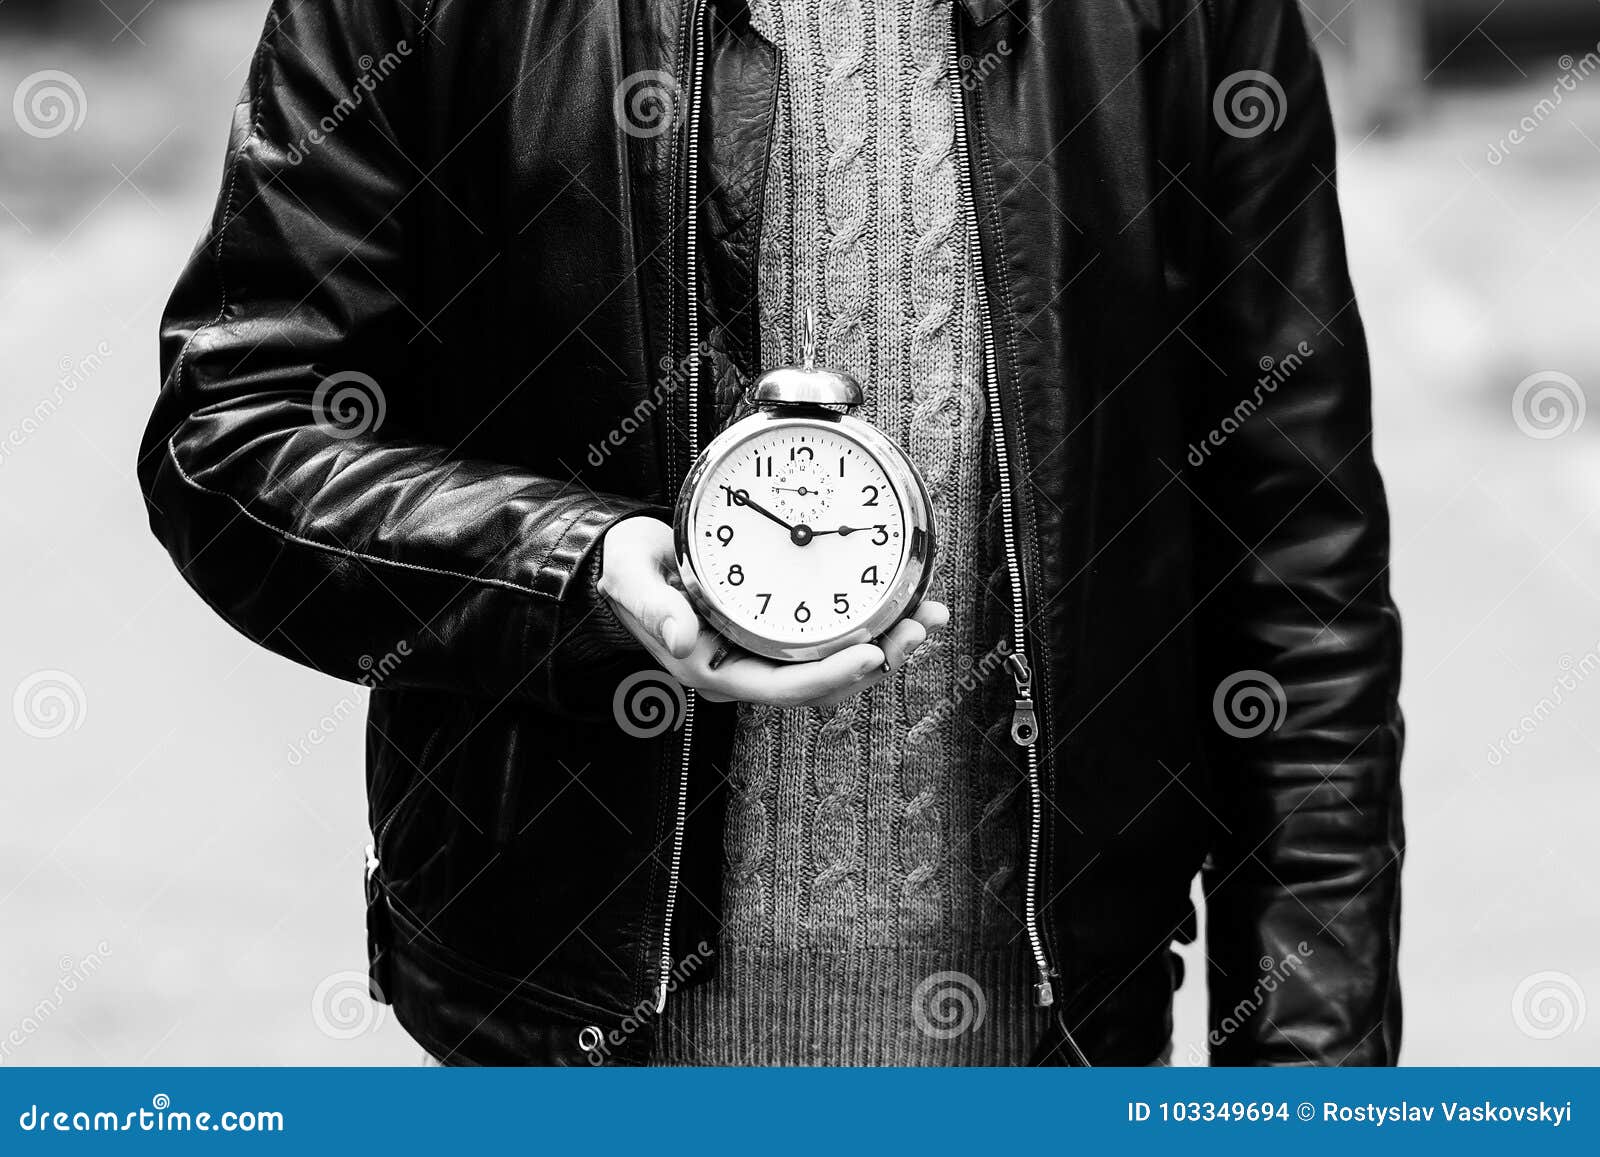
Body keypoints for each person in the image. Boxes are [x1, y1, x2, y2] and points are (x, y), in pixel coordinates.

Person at [138, 0, 1404, 1066]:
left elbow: (1299, 567)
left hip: (1052, 1045)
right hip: (573, 1040)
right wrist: (575, 569)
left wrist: (1307, 1086)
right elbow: (233, 432)